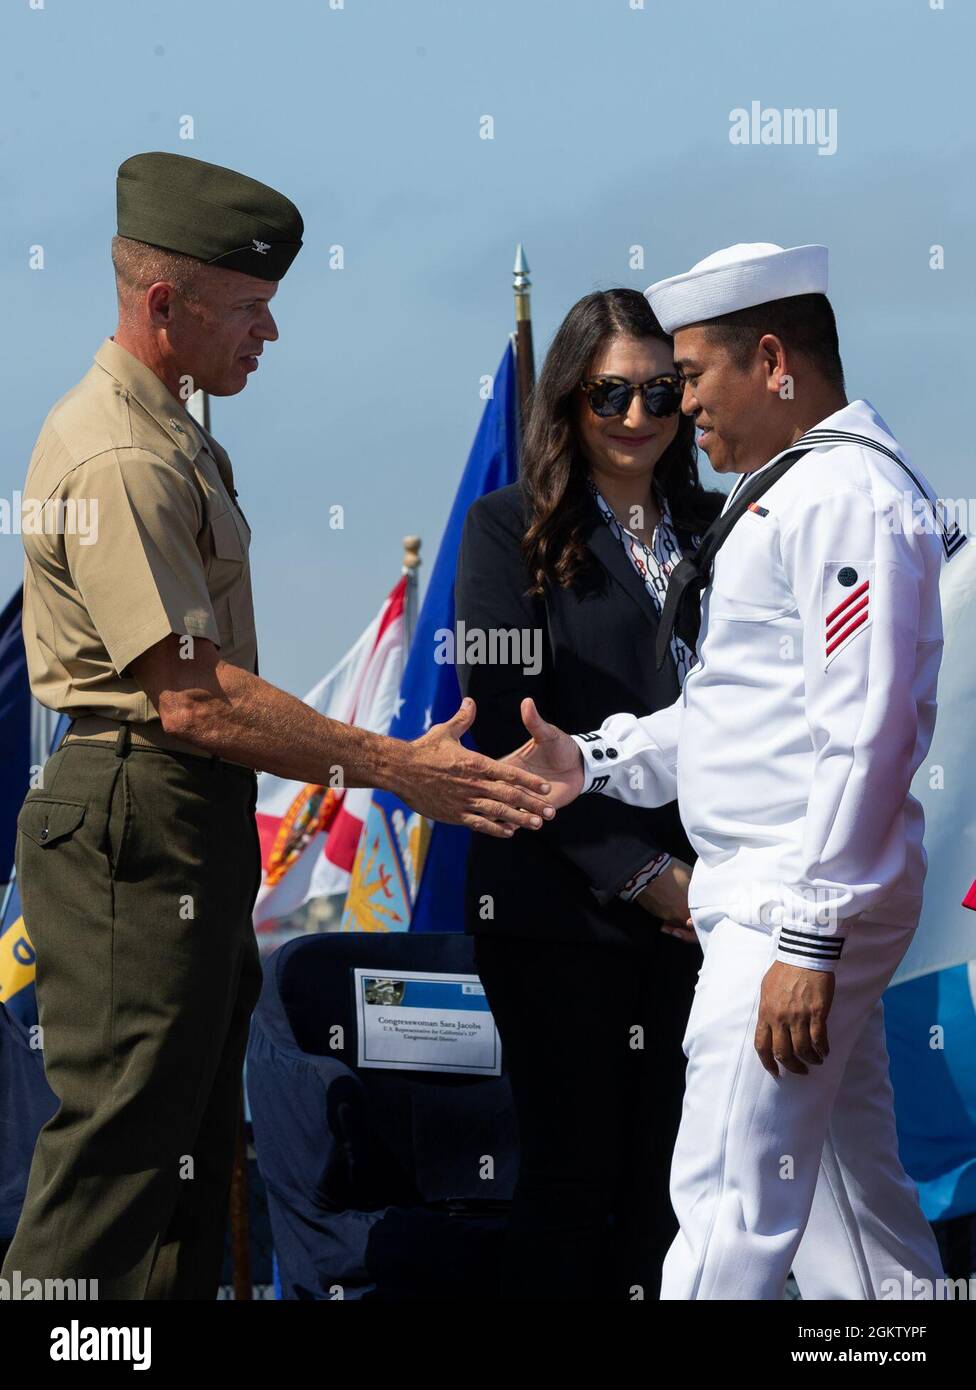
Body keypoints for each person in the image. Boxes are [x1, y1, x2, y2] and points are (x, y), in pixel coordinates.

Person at [2, 151, 554, 1301]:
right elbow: (193, 694)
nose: (270, 333)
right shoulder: (116, 456)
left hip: (175, 814)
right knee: (115, 1161)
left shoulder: (172, 440)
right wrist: (396, 764)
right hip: (136, 812)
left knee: (186, 1171)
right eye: (250, 308)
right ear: (166, 304)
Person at [503, 242, 956, 1299]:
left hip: (788, 901)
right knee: (859, 1232)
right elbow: (734, 714)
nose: (679, 405)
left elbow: (868, 729)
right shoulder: (792, 491)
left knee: (723, 1212)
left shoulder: (842, 495)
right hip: (780, 896)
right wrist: (596, 759)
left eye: (691, 377)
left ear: (770, 358)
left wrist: (809, 932)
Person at [455, 289, 724, 1299]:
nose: (640, 418)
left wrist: (707, 885)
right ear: (568, 398)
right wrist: (648, 876)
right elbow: (505, 728)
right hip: (557, 911)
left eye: (663, 391)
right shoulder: (503, 530)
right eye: (612, 393)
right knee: (573, 1181)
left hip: (712, 915)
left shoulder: (723, 526)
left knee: (681, 1188)